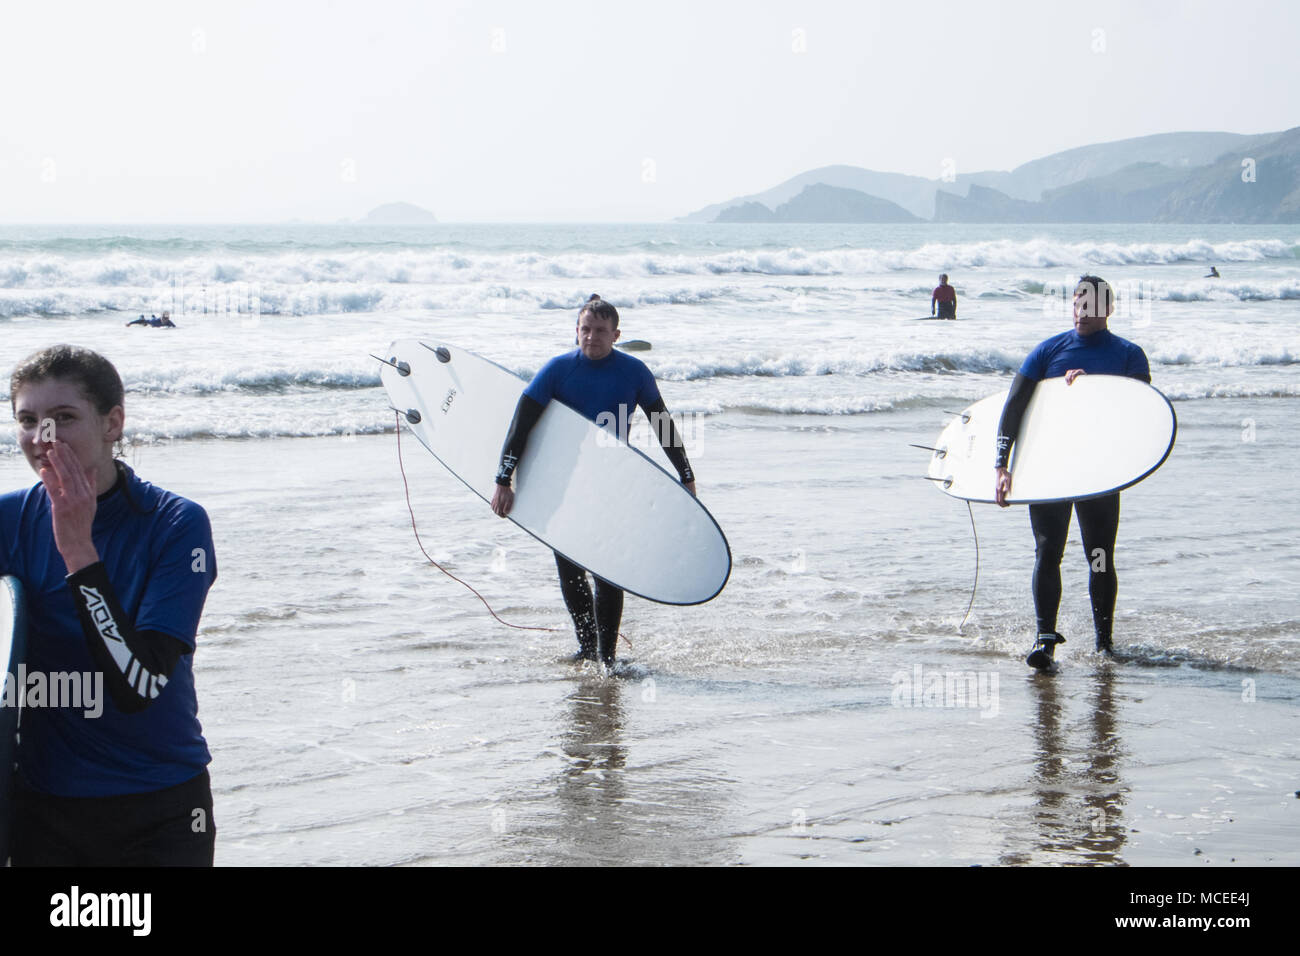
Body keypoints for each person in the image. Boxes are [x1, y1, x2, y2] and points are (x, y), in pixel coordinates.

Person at [1, 345, 218, 865]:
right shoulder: (7, 520)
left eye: (63, 418)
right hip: (43, 810)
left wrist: (78, 549)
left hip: (160, 810)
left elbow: (138, 684)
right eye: (27, 420)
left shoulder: (175, 525)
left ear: (112, 422)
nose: (41, 438)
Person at [490, 295, 696, 669]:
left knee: (607, 567)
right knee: (569, 568)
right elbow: (522, 424)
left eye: (600, 331)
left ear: (616, 334)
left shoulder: (634, 372)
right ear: (576, 332)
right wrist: (504, 478)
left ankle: (607, 658)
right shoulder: (557, 370)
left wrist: (686, 475)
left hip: (611, 482)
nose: (592, 337)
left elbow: (662, 424)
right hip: (564, 482)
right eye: (585, 329)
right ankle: (586, 647)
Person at [993, 276, 1151, 670]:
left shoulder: (1129, 355)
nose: (1082, 309)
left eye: (1092, 304)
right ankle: (1045, 639)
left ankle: (1104, 644)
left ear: (1109, 310)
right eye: (1078, 301)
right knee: (1048, 552)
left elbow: (1140, 414)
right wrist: (1002, 466)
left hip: (1098, 470)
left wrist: (1089, 388)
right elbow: (1014, 407)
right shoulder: (1048, 351)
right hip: (1051, 468)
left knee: (1099, 556)